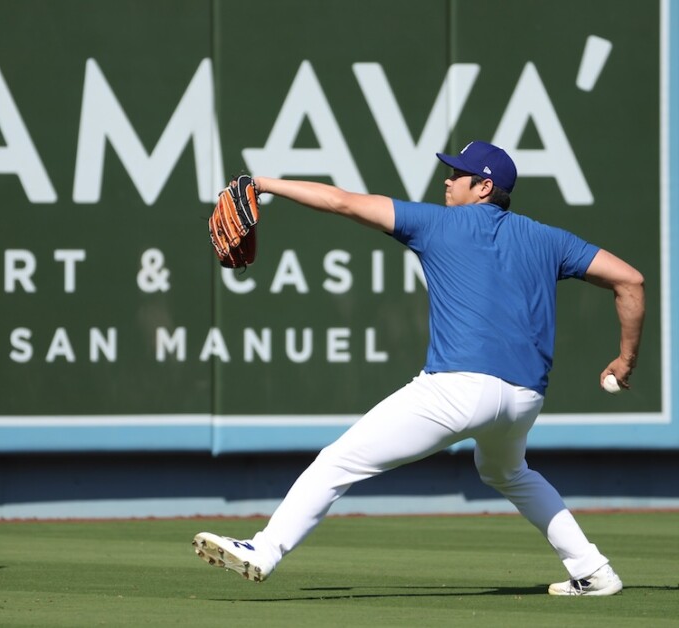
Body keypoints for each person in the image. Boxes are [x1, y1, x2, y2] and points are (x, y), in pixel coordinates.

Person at [193, 140, 644, 597]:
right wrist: (625, 360)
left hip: (459, 389)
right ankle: (592, 570)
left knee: (338, 460)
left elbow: (341, 201)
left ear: (484, 186)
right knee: (508, 472)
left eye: (457, 175)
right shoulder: (548, 239)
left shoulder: (436, 223)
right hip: (524, 398)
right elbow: (630, 280)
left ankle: (264, 550)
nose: (447, 180)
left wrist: (263, 183)